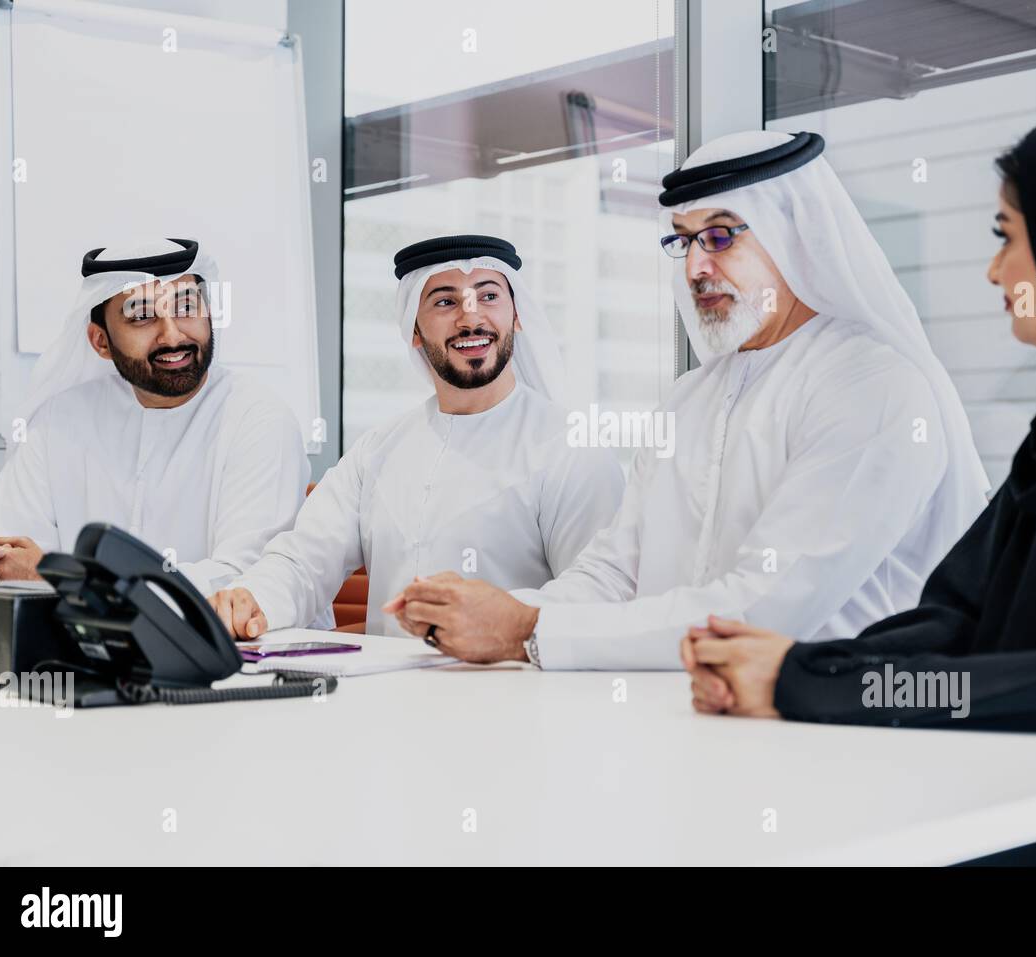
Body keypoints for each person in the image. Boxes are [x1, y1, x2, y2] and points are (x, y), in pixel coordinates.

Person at [683, 107, 1036, 736]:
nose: (995, 271)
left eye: (1008, 236)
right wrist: (796, 664)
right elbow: (958, 621)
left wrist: (798, 686)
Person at [392, 131, 989, 669]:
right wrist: (487, 613)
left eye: (721, 236)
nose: (697, 267)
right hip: (696, 715)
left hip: (844, 733)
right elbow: (615, 571)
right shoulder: (691, 398)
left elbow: (765, 605)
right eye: (684, 242)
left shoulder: (872, 387)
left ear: (794, 235)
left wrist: (527, 629)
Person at [209, 235, 624, 641]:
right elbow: (304, 558)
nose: (471, 318)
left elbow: (600, 595)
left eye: (489, 296)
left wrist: (509, 619)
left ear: (516, 316)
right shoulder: (379, 448)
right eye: (445, 301)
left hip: (515, 700)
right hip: (386, 700)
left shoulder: (572, 449)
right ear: (414, 329)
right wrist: (254, 599)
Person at [0, 238, 308, 595]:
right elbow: (3, 556)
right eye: (142, 315)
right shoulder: (59, 419)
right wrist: (9, 566)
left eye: (186, 307)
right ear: (101, 341)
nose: (172, 335)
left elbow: (243, 580)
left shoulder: (258, 420)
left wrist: (63, 576)